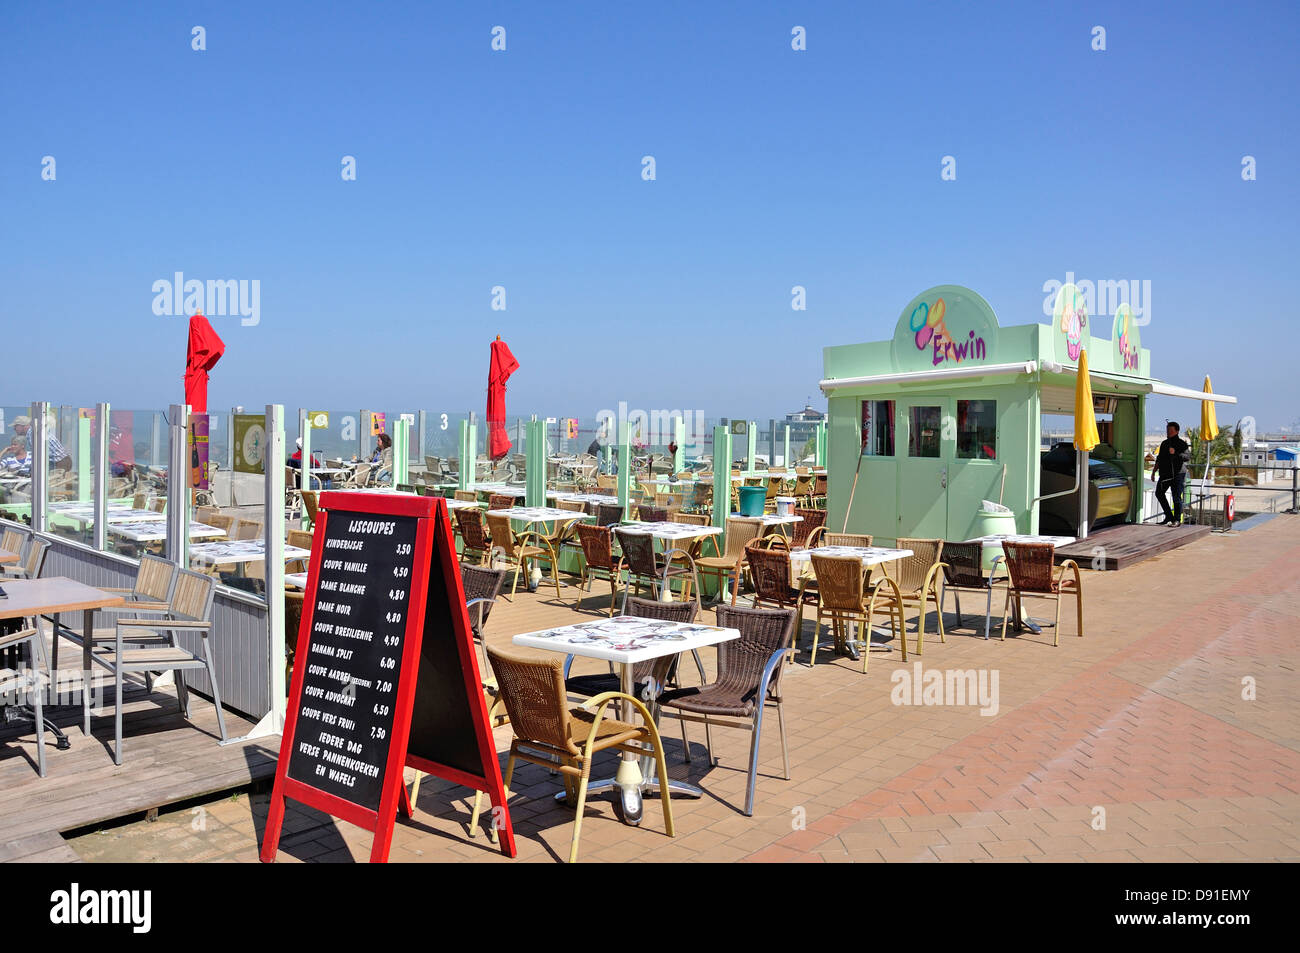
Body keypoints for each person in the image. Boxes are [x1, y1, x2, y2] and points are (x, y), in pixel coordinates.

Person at [1152, 421, 1191, 526]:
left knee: (1176, 497)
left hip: (1178, 474)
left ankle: (1177, 519)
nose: (1168, 432)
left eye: (1170, 430)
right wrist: (1154, 471)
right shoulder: (1164, 443)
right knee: (1159, 493)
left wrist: (1176, 453)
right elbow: (1159, 458)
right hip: (1165, 474)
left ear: (1177, 431)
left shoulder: (1181, 443)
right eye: (1167, 430)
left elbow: (1187, 457)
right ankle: (1169, 516)